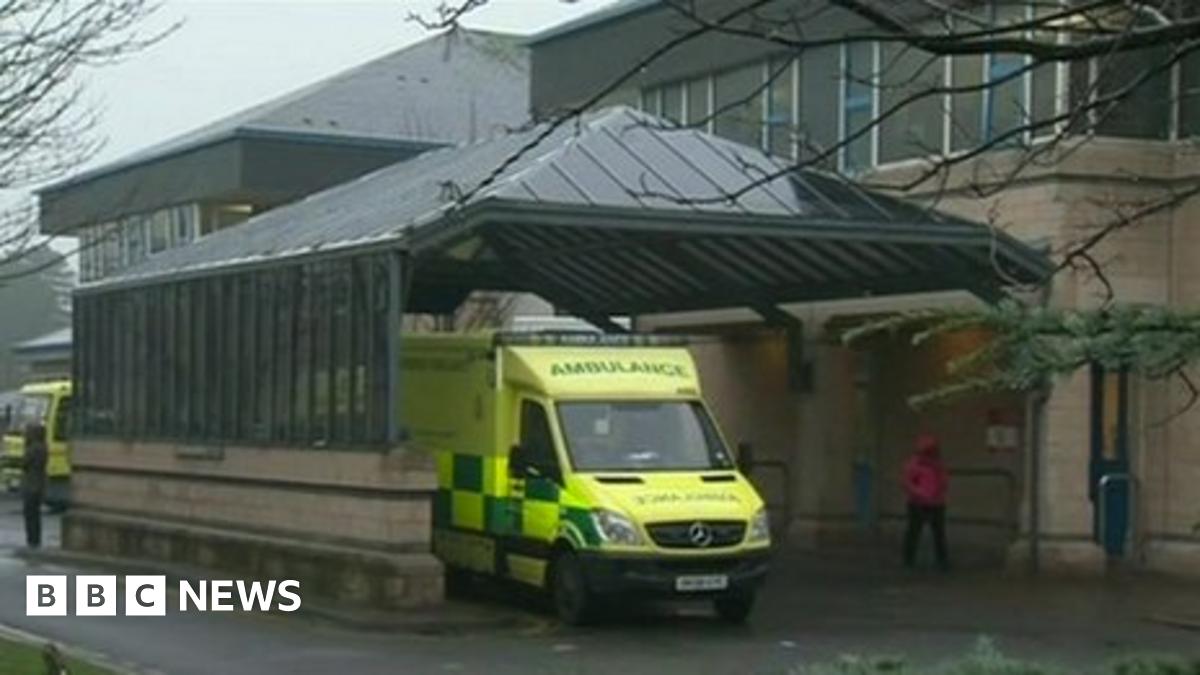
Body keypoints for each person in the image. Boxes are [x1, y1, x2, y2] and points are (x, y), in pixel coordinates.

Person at [902, 433, 950, 571]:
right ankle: (908, 559)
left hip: (935, 503)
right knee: (914, 532)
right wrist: (919, 493)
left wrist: (939, 491)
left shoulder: (937, 465)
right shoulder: (915, 464)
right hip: (918, 503)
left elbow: (943, 480)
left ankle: (942, 559)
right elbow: (907, 482)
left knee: (938, 533)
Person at [21, 422, 48, 548]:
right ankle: (36, 539)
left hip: (31, 485)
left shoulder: (33, 448)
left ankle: (32, 540)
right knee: (35, 515)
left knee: (30, 514)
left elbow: (24, 464)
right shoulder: (43, 447)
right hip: (40, 484)